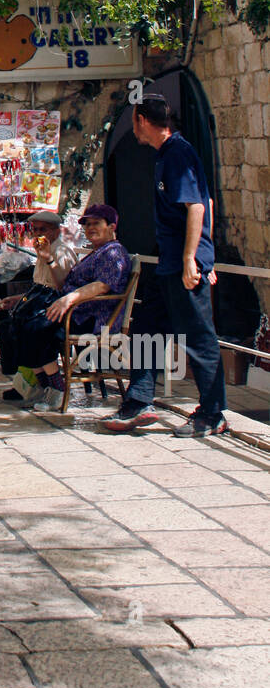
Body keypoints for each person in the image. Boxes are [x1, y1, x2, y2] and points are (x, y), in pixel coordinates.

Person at [104, 93, 228, 437]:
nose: (134, 129)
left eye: (134, 122)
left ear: (142, 121)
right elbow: (209, 202)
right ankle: (138, 400)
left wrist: (196, 259)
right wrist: (205, 253)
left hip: (182, 264)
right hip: (168, 261)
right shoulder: (166, 156)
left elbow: (198, 208)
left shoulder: (178, 154)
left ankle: (213, 412)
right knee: (147, 328)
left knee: (197, 337)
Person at [17, 204, 131, 410]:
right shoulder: (95, 252)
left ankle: (58, 390)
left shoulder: (113, 253)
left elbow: (102, 286)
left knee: (36, 329)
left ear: (112, 226)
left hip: (92, 319)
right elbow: (62, 284)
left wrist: (69, 299)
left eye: (96, 223)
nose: (90, 229)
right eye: (87, 225)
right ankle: (46, 388)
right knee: (21, 325)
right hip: (74, 314)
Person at [0, 210, 79, 400]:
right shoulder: (42, 250)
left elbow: (62, 287)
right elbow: (39, 287)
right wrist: (17, 299)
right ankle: (36, 385)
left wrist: (49, 258)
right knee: (7, 328)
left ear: (56, 232)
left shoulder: (60, 252)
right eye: (35, 230)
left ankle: (56, 387)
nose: (38, 234)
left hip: (59, 307)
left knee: (33, 330)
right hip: (40, 303)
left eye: (43, 229)